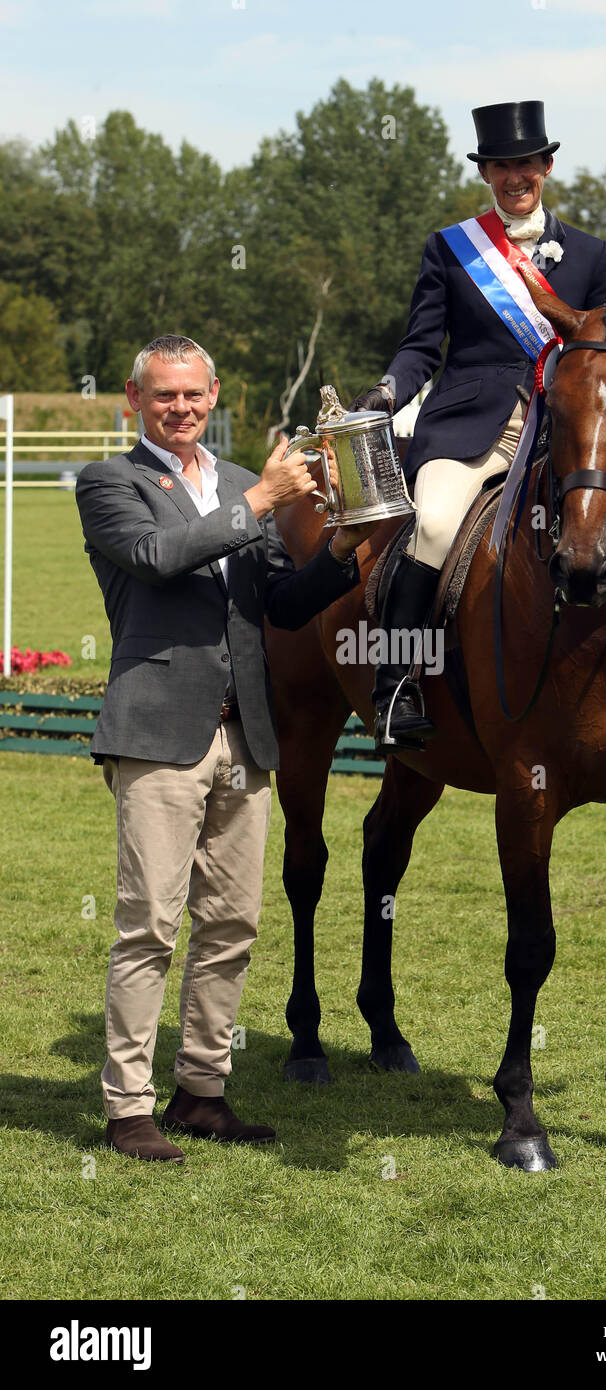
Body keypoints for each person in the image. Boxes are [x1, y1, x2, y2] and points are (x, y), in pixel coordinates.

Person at [352, 100, 606, 751]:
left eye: (525, 164)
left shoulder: (589, 254)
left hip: (564, 434)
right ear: (486, 172)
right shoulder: (451, 249)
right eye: (502, 165)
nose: (515, 176)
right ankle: (397, 684)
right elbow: (422, 346)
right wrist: (386, 391)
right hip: (469, 433)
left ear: (546, 166)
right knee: (434, 526)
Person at [76, 334, 376, 1163]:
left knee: (233, 924)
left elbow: (280, 604)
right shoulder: (110, 482)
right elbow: (156, 558)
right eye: (162, 396)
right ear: (134, 401)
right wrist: (262, 503)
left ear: (215, 395)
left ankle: (201, 1093)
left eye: (193, 395)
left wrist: (342, 549)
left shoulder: (247, 484)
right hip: (157, 735)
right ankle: (127, 1107)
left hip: (245, 733)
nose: (180, 408)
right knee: (149, 927)